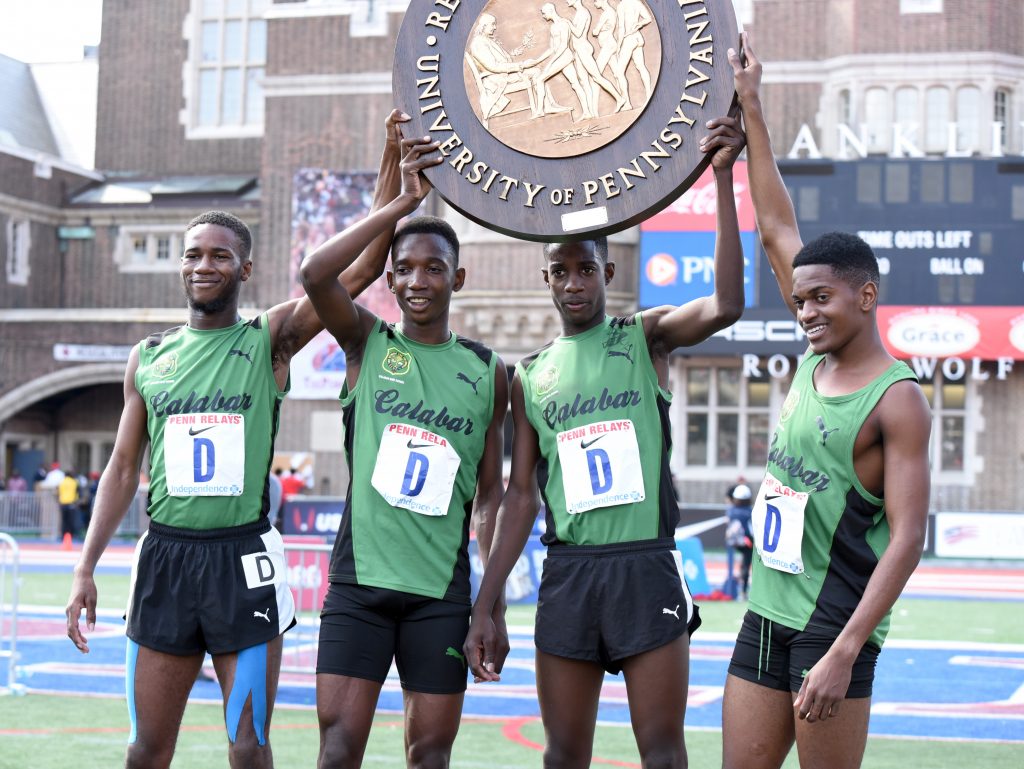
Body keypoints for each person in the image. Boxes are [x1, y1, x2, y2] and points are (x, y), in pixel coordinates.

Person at [64, 110, 412, 769]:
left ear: (244, 268)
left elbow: (362, 268)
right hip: (165, 560)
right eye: (193, 254)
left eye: (219, 255)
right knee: (146, 750)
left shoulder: (268, 339)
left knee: (248, 749)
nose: (203, 265)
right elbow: (119, 466)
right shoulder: (149, 358)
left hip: (242, 561)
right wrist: (85, 567)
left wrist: (392, 169)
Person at [464, 120, 746, 768]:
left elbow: (728, 301)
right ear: (546, 279)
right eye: (560, 272)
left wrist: (725, 176)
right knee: (563, 756)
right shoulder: (529, 375)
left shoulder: (643, 337)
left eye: (585, 269)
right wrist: (489, 600)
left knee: (663, 755)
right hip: (569, 575)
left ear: (606, 270)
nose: (573, 282)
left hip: (645, 568)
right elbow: (519, 495)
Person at [714, 33, 932, 769]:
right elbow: (777, 228)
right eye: (799, 298)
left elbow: (906, 539)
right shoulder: (815, 357)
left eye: (821, 297)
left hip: (832, 626)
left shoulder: (897, 399)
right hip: (765, 615)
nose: (804, 310)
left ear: (866, 295)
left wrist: (844, 650)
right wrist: (752, 107)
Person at [300, 134, 508, 769]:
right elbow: (315, 275)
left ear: (458, 278)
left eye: (434, 267)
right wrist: (402, 204)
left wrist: (489, 605)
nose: (419, 280)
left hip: (439, 596)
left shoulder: (488, 371)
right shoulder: (367, 343)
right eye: (407, 269)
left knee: (430, 757)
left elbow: (492, 492)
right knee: (338, 752)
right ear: (390, 278)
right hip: (358, 587)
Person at [724, 483, 754, 599]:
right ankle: (744, 591)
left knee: (731, 564)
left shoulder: (730, 510)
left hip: (732, 541)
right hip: (748, 542)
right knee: (747, 565)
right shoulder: (751, 511)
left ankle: (730, 590)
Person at [58, 469, 80, 541]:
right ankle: (71, 535)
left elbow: (58, 492)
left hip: (63, 503)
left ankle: (63, 535)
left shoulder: (62, 482)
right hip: (71, 503)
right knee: (71, 521)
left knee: (64, 520)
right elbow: (77, 492)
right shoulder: (74, 482)